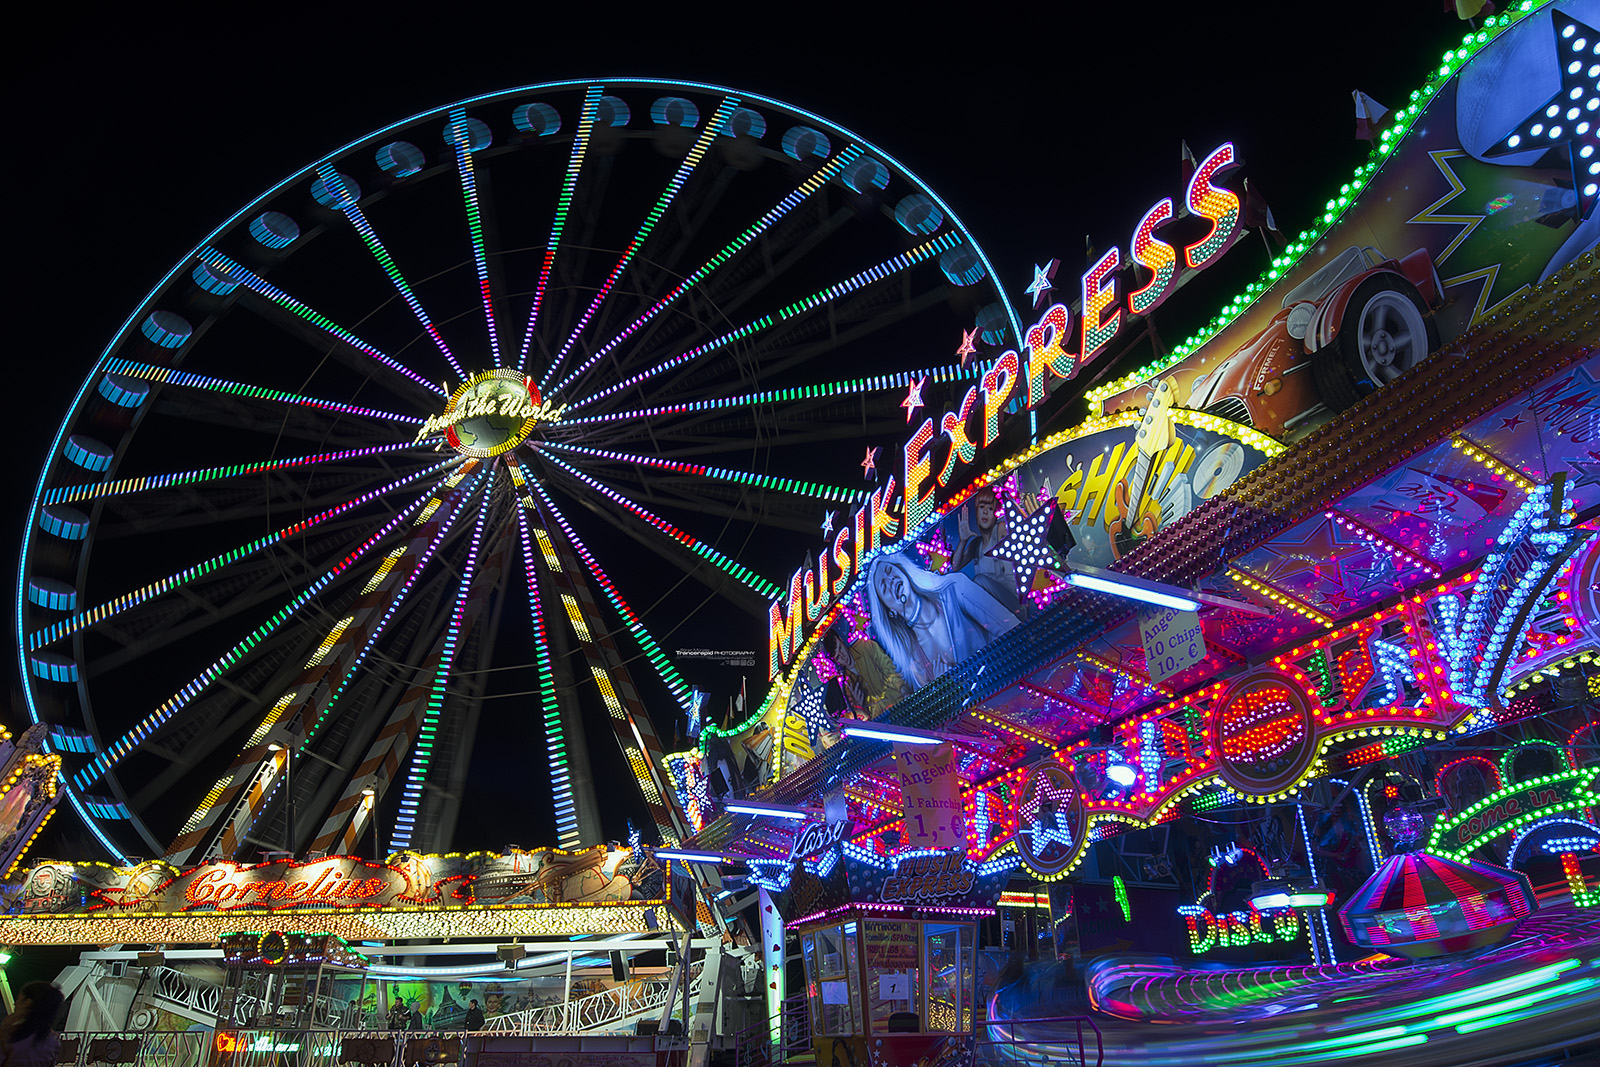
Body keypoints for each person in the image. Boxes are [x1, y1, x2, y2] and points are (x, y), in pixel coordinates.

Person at [866, 551, 1020, 689]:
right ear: (889, 611)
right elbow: (940, 710)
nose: (891, 580)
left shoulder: (954, 588)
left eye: (890, 571)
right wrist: (945, 688)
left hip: (1013, 680)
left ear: (904, 571)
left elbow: (1013, 629)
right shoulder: (914, 659)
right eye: (884, 587)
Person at [950, 487, 1021, 611]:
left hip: (1013, 605)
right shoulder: (976, 544)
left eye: (990, 509)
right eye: (982, 507)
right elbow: (955, 566)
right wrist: (963, 541)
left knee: (979, 580)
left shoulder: (1000, 530)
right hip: (992, 608)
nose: (985, 512)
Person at [821, 624, 907, 717]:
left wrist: (904, 691)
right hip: (881, 721)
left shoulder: (866, 647)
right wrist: (859, 706)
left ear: (841, 640)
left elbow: (891, 671)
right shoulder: (847, 684)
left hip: (900, 705)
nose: (843, 656)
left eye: (840, 648)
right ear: (836, 661)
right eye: (838, 657)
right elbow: (865, 716)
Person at [0, 981, 64, 1067]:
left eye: (18, 999)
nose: (15, 1003)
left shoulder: (9, 1035)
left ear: (27, 1002)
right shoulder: (52, 1042)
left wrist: (4, 1027)